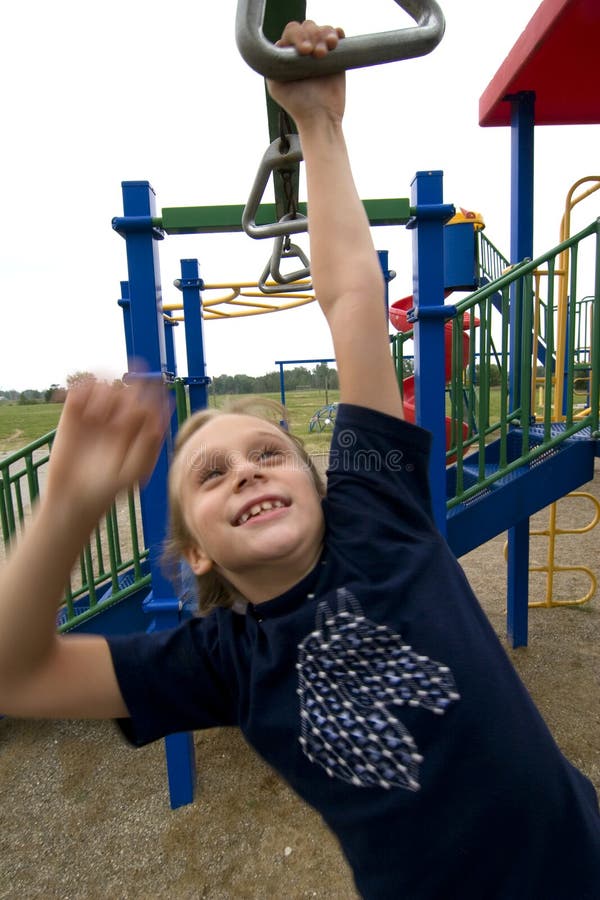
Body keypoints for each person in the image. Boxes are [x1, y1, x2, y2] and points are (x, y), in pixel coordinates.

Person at [1, 20, 599, 900]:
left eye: (269, 454)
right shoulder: (222, 661)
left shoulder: (379, 518)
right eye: (211, 475)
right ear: (197, 554)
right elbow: (16, 672)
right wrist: (66, 508)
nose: (246, 470)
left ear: (325, 490)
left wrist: (319, 122)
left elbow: (353, 297)